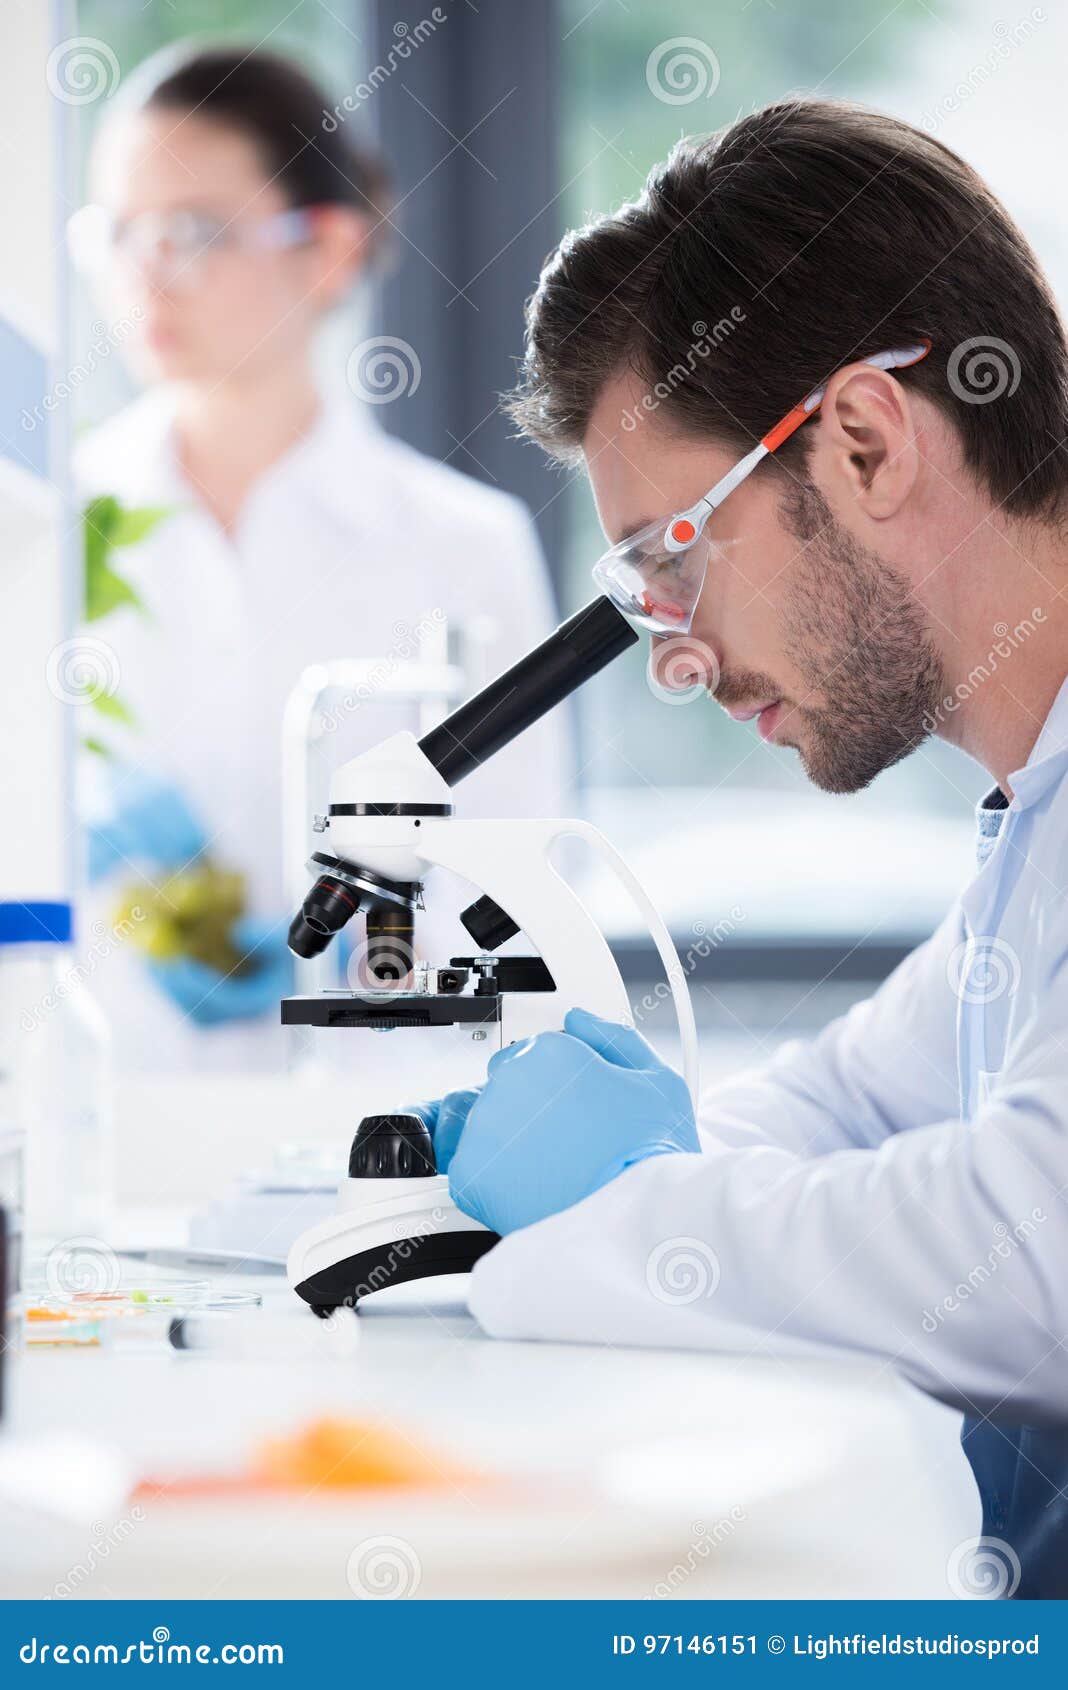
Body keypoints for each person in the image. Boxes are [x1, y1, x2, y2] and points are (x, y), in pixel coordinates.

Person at [412, 100, 1068, 1596]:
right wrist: (633, 1156)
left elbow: (1035, 1255)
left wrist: (623, 1208)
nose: (674, 658)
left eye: (670, 557)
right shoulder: (1033, 818)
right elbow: (846, 1101)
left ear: (863, 439)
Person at [72, 44, 569, 1070]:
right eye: (121, 233)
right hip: (104, 1119)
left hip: (375, 1121)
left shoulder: (462, 548)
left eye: (193, 231)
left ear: (330, 250)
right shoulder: (46, 536)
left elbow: (515, 896)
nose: (144, 275)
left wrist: (375, 937)